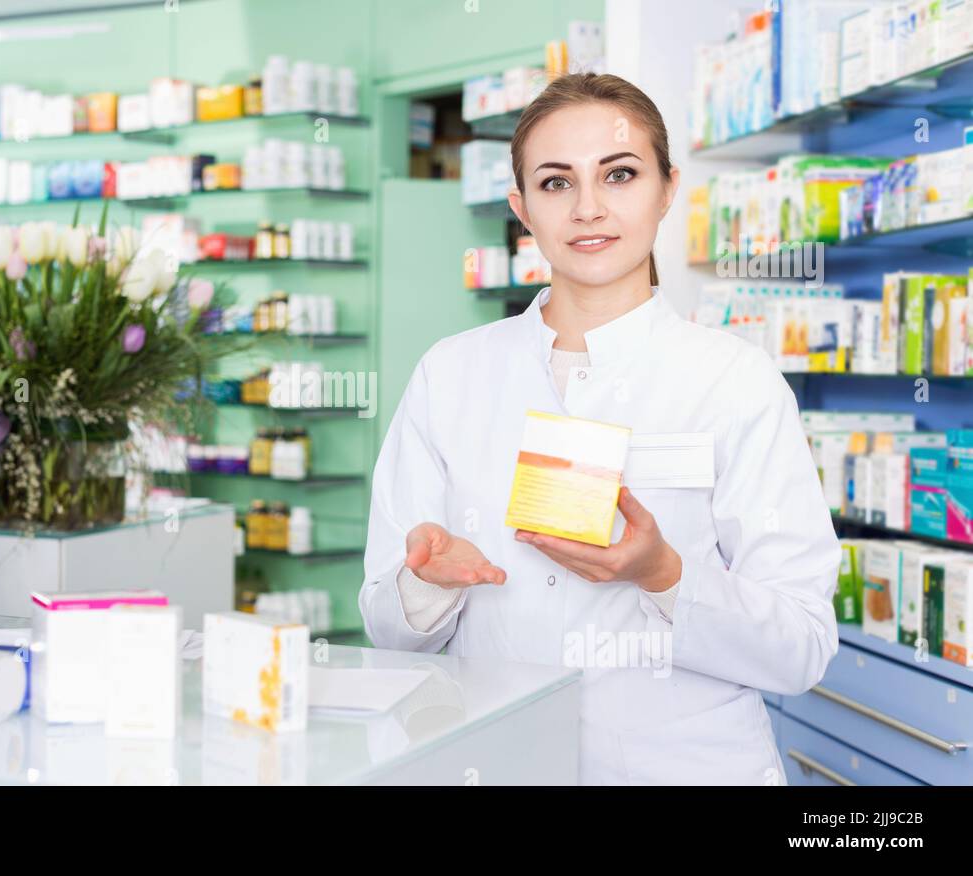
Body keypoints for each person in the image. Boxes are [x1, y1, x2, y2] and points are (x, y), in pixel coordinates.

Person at [358, 72, 841, 785]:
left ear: (668, 188)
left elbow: (801, 647)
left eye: (619, 174)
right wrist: (427, 583)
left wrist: (665, 575)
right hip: (498, 766)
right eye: (556, 183)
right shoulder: (449, 375)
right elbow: (384, 623)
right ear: (521, 206)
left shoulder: (734, 382)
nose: (589, 208)